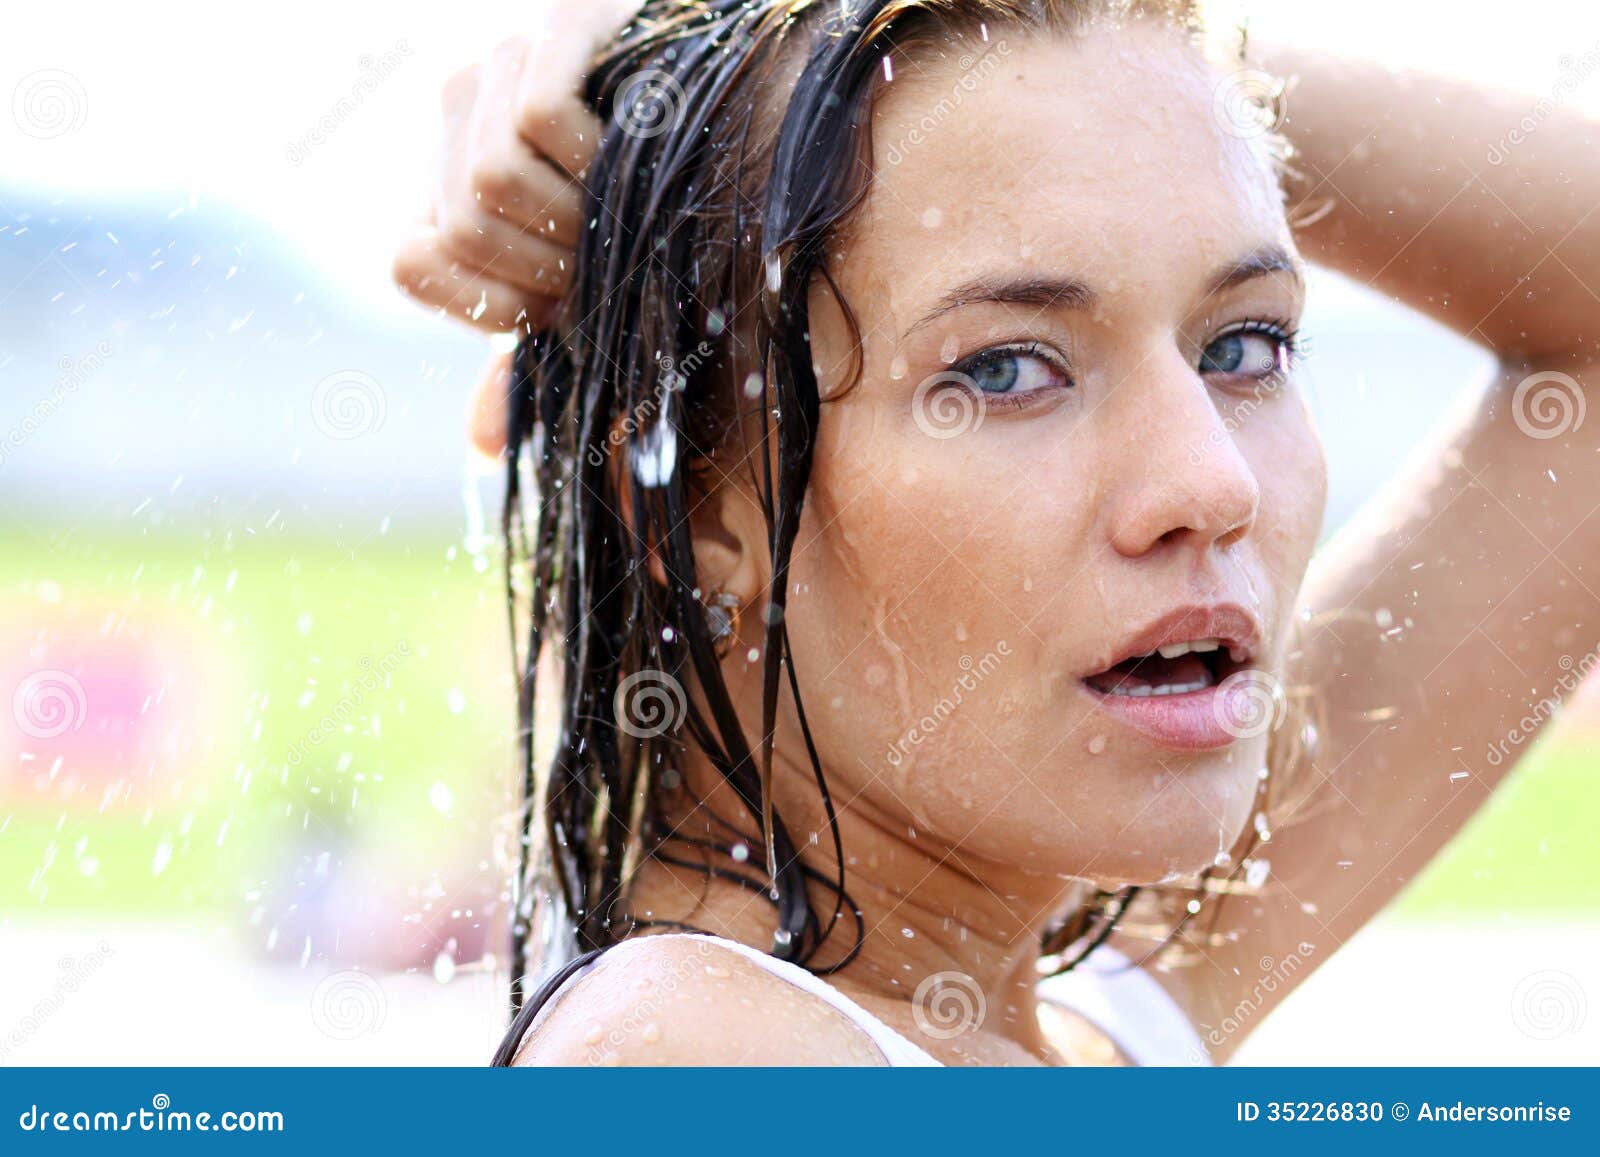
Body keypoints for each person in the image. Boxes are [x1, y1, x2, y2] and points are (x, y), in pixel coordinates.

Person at [393, 0, 1600, 1066]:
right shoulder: (694, 1058)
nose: (1212, 481)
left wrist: (1131, 50)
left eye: (1243, 345)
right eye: (1007, 369)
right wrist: (734, 68)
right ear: (703, 506)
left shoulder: (1096, 1033)